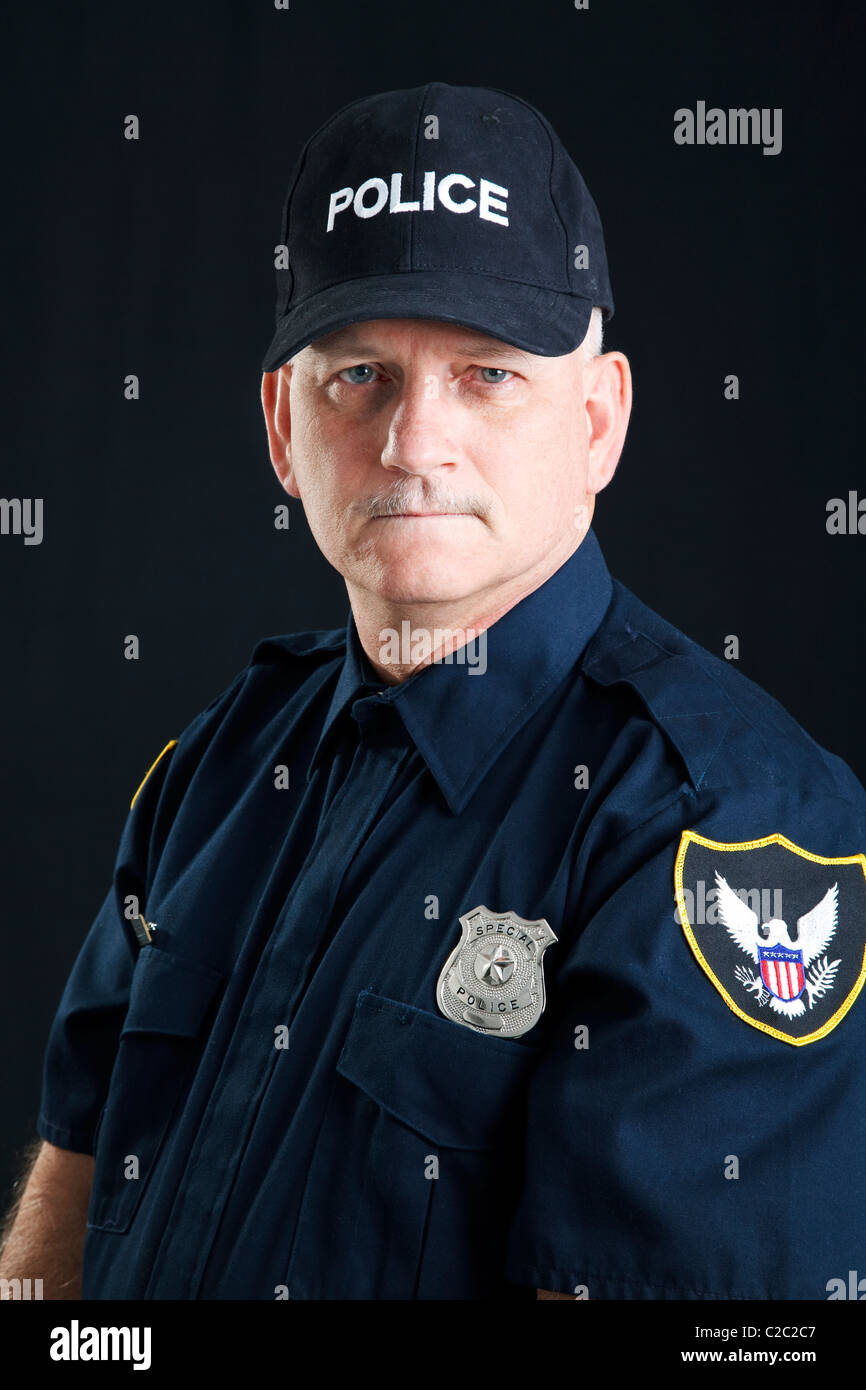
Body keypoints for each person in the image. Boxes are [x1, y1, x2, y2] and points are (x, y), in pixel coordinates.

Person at [2, 80, 865, 1303]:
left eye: (487, 374)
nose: (412, 443)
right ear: (280, 431)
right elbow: (76, 1176)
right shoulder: (218, 766)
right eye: (359, 374)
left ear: (599, 421)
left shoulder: (721, 828)